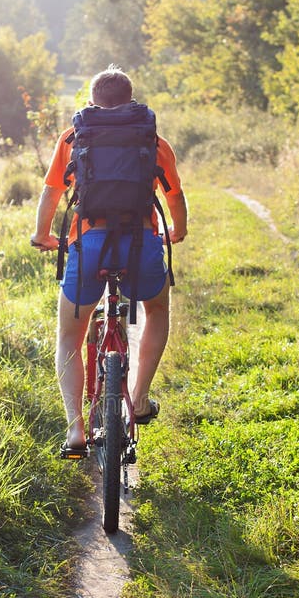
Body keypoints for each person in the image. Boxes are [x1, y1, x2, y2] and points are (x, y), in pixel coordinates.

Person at [31, 66, 188, 452]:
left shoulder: (73, 137)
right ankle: (140, 399)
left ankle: (75, 430)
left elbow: (51, 192)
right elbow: (174, 196)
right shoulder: (152, 140)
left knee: (70, 335)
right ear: (131, 101)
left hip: (89, 247)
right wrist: (177, 230)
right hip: (141, 245)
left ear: (91, 102)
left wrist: (42, 235)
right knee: (157, 310)